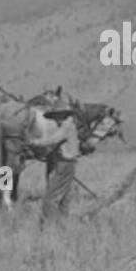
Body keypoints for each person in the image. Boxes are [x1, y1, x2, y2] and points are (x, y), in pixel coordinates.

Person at [33, 94, 80, 223]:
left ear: (63, 115)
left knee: (50, 197)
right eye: (55, 117)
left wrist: (35, 142)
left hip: (65, 164)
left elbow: (53, 140)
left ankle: (49, 226)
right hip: (66, 164)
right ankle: (62, 224)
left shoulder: (66, 126)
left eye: (57, 116)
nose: (56, 119)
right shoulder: (67, 125)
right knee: (64, 197)